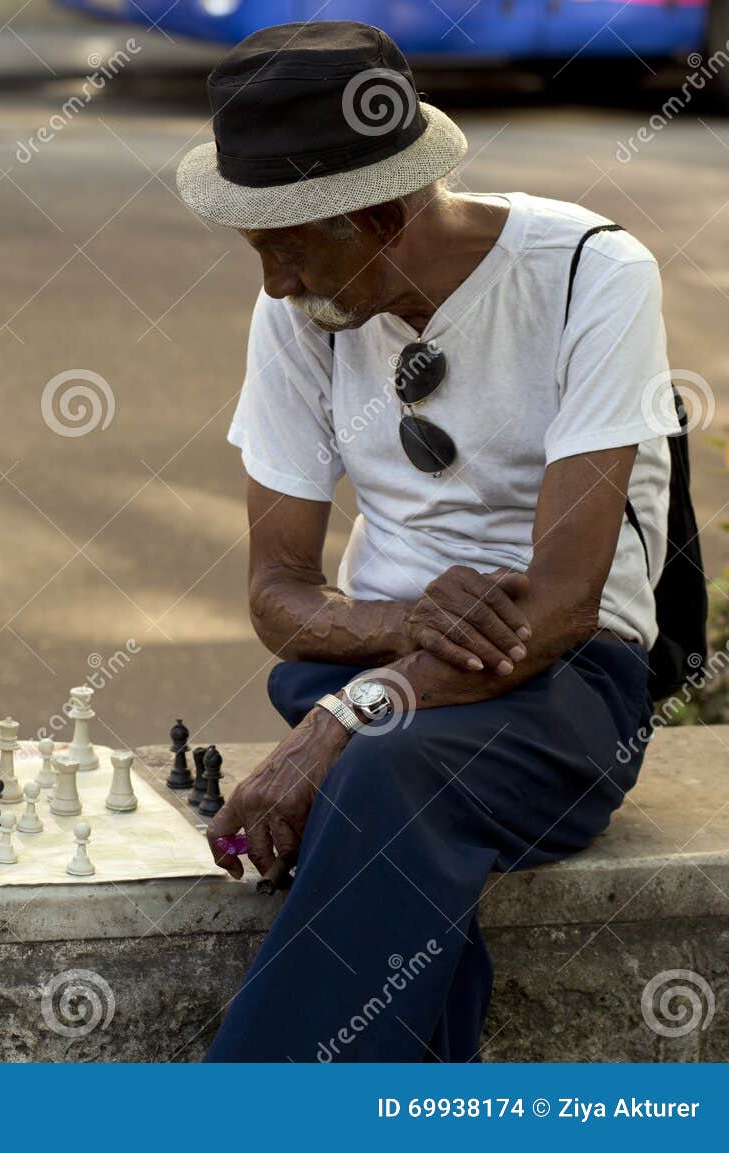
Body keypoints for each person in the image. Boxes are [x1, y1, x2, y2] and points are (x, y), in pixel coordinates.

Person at [179, 22, 674, 1061]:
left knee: (387, 775)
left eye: (290, 246)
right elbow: (276, 592)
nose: (272, 283)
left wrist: (343, 721)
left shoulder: (592, 274)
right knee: (393, 782)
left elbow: (560, 606)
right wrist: (401, 630)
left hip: (564, 686)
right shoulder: (299, 313)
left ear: (380, 213)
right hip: (371, 662)